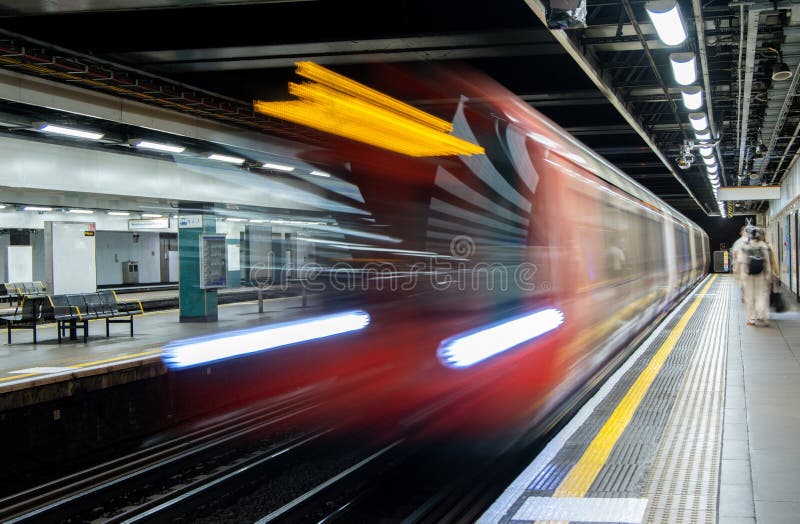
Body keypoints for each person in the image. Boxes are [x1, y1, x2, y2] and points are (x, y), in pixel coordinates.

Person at [737, 227, 778, 326]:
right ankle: (763, 316)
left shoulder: (745, 246)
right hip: (761, 275)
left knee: (749, 297)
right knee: (761, 296)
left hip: (747, 275)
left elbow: (740, 262)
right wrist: (768, 275)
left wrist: (739, 275)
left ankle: (751, 319)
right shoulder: (763, 245)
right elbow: (767, 262)